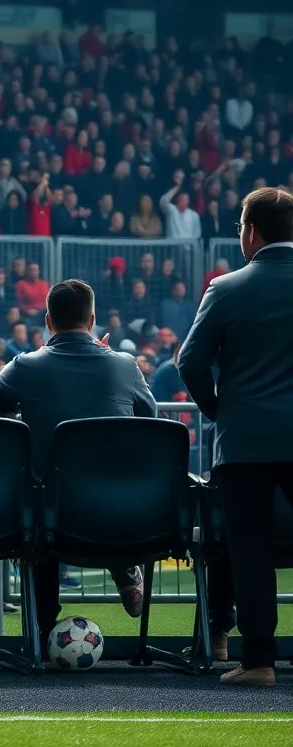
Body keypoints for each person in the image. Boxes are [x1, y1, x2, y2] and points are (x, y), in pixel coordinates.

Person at [0, 279, 156, 640]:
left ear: (48, 321)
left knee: (41, 517)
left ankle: (43, 629)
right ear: (93, 319)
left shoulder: (26, 365)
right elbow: (150, 417)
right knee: (99, 484)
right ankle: (124, 565)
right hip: (120, 508)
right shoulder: (125, 366)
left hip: (51, 514)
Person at [179, 187, 293, 687]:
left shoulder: (225, 288)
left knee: (250, 554)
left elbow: (190, 361)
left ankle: (259, 662)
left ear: (251, 231)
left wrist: (219, 410)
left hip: (244, 441)